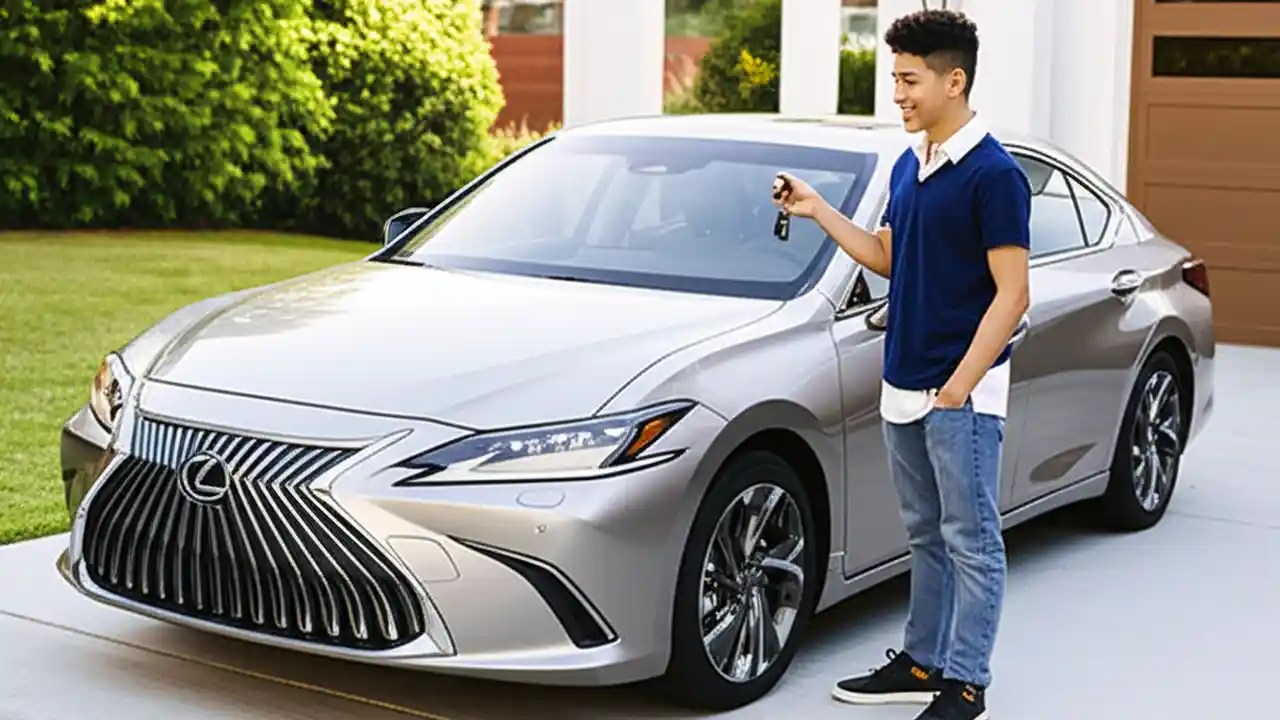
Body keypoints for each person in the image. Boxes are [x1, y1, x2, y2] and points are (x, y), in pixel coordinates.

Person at [771, 9, 1030, 720]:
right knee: (924, 533)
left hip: (959, 395)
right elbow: (891, 256)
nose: (899, 93)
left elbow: (1013, 295)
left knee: (972, 540)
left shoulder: (993, 175)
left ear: (956, 79)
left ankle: (965, 684)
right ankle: (922, 662)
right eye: (896, 79)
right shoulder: (910, 165)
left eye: (910, 80)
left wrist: (959, 386)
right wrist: (819, 208)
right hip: (903, 384)